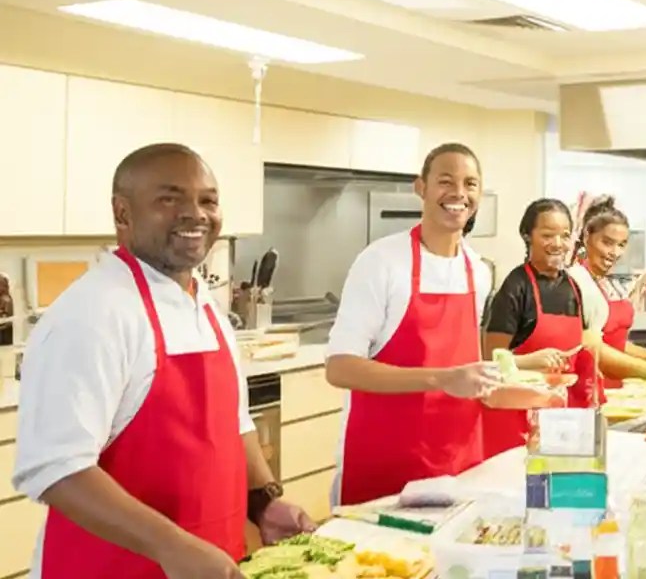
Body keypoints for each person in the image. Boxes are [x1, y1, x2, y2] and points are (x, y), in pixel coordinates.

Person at [12, 143, 314, 579]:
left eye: (207, 200)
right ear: (122, 213)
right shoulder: (93, 313)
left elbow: (235, 422)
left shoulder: (205, 307)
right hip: (112, 568)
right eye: (169, 199)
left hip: (211, 561)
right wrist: (171, 547)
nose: (196, 214)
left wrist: (264, 502)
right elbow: (57, 470)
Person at [325, 143, 502, 506]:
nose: (458, 194)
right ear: (420, 187)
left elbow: (469, 373)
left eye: (470, 184)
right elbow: (339, 367)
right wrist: (441, 378)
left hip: (459, 463)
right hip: (386, 464)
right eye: (445, 181)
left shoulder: (478, 271)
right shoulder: (382, 262)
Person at [483, 198, 597, 457]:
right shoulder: (515, 287)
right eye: (547, 235)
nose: (558, 244)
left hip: (563, 422)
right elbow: (490, 361)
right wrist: (528, 361)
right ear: (527, 237)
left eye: (565, 235)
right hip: (517, 427)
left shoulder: (572, 287)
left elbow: (582, 349)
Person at [567, 196, 646, 388]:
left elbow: (616, 342)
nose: (615, 252)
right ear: (586, 237)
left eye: (622, 244)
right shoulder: (574, 283)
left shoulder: (608, 285)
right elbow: (590, 348)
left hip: (618, 391)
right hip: (590, 391)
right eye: (607, 243)